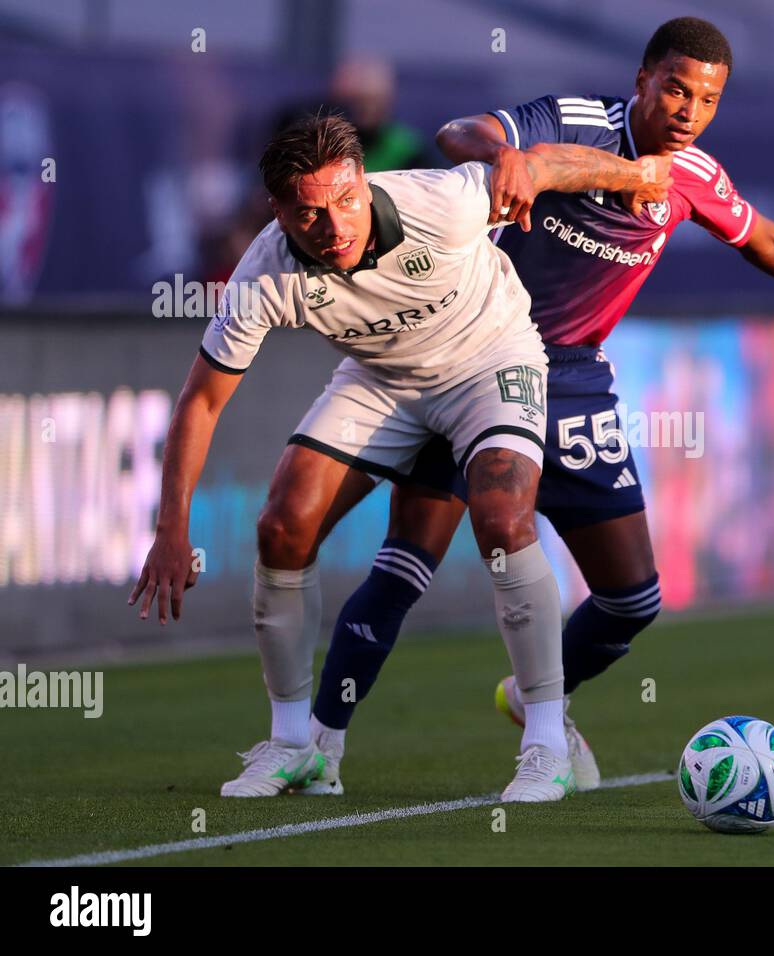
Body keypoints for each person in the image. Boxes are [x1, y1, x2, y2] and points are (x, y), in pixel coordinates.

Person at [309, 17, 774, 795]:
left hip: (570, 379)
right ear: (642, 80)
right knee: (407, 564)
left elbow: (770, 241)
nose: (687, 110)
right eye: (676, 88)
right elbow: (455, 132)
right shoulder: (576, 124)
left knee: (632, 597)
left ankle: (538, 696)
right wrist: (510, 160)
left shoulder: (693, 178)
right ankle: (316, 747)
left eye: (707, 99)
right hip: (467, 357)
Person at [128, 111, 671, 802]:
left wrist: (636, 175)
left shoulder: (439, 203)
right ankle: (298, 746)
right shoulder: (265, 272)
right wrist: (171, 530)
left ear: (364, 181)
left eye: (347, 199)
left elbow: (542, 168)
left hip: (489, 362)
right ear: (279, 213)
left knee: (503, 522)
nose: (334, 226)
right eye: (309, 213)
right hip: (384, 380)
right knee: (282, 525)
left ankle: (544, 744)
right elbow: (200, 401)